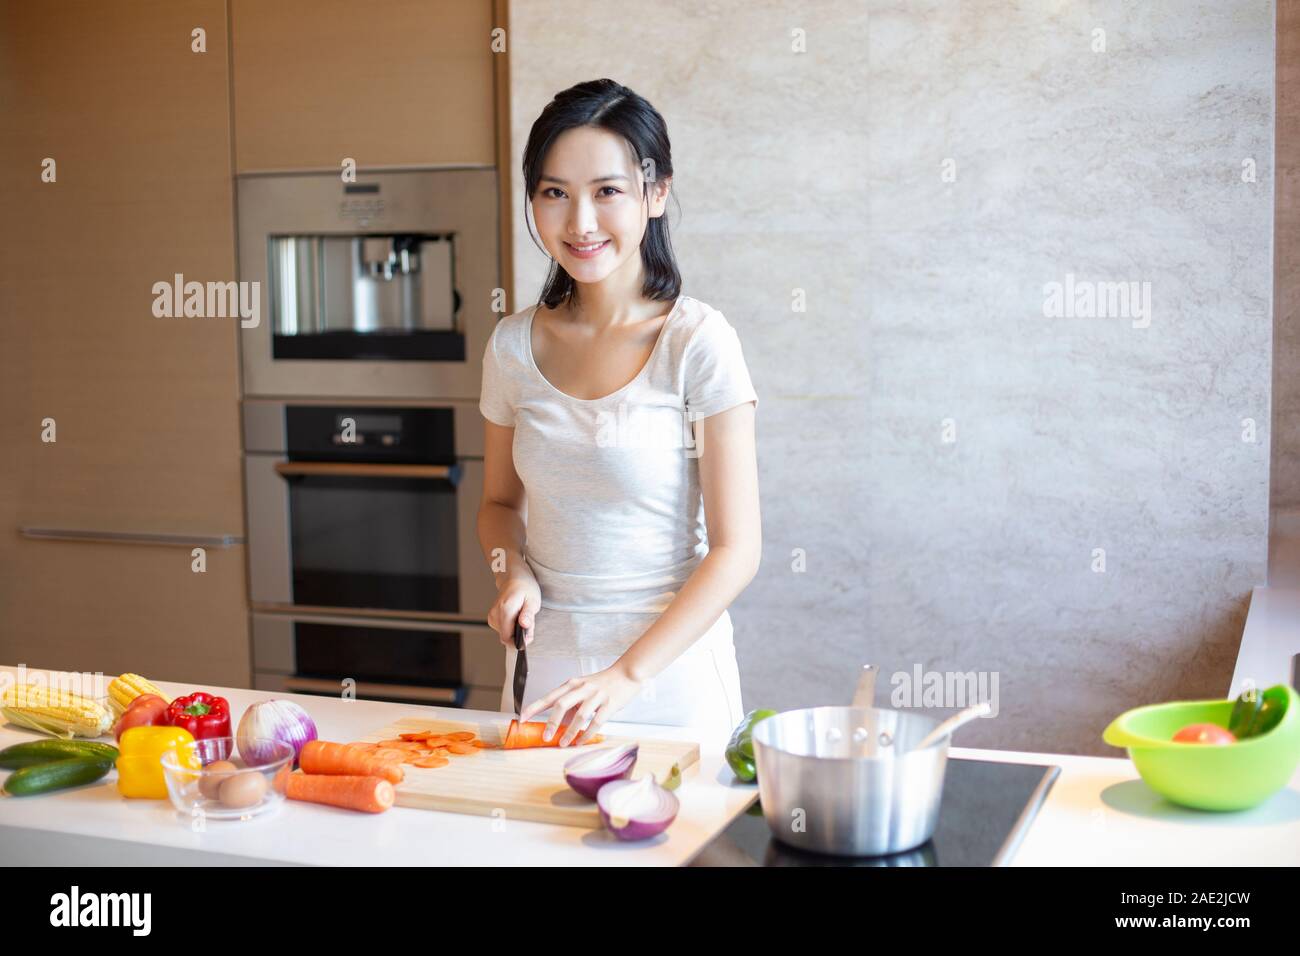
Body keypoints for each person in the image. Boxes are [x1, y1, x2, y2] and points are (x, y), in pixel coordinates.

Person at [477, 78, 761, 749]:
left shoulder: (698, 342)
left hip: (669, 678)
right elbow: (496, 504)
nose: (580, 222)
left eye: (606, 191)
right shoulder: (512, 346)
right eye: (555, 193)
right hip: (544, 674)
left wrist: (627, 674)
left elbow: (736, 549)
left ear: (655, 193)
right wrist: (509, 570)